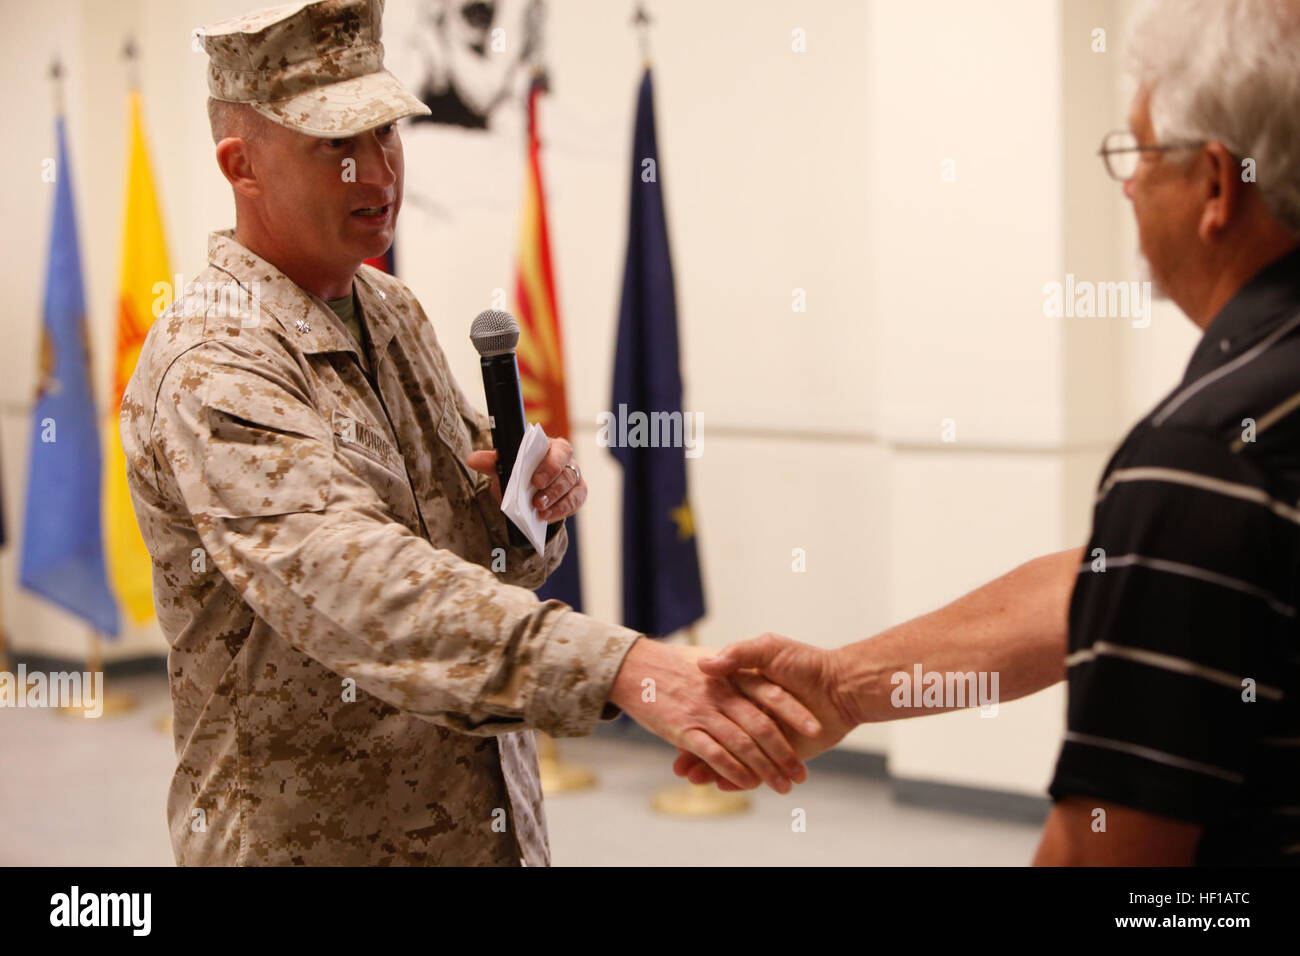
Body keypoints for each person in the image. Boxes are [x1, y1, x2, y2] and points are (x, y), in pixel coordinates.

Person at [121, 0, 818, 866]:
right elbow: (357, 587)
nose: (378, 172)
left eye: (387, 135)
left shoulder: (389, 309)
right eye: (337, 146)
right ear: (243, 166)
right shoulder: (213, 362)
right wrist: (619, 665)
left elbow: (475, 553)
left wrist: (524, 506)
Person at [679, 0, 1300, 866]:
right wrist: (850, 687)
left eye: (1139, 152)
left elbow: (1111, 861)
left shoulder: (1201, 457)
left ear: (1214, 185)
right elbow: (1114, 581)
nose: (1125, 184)